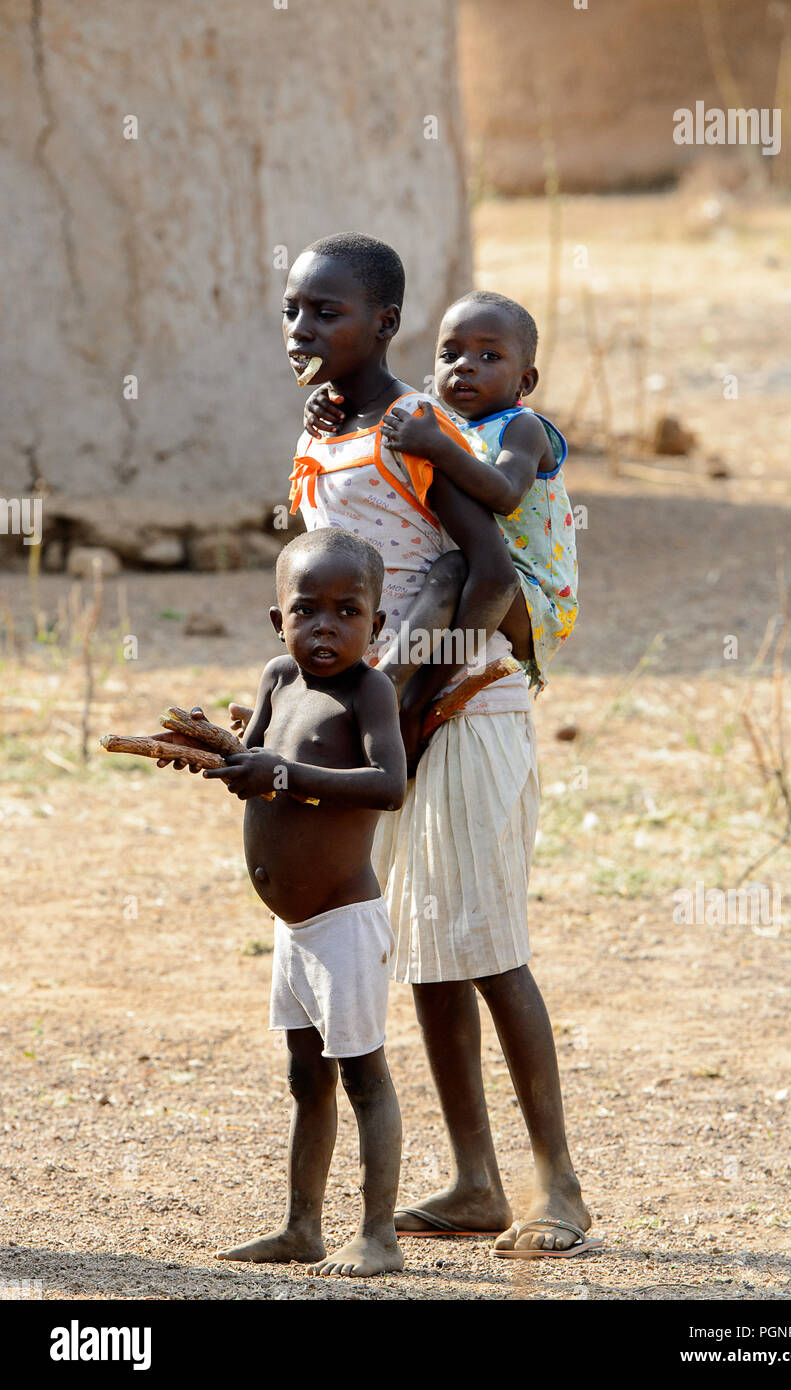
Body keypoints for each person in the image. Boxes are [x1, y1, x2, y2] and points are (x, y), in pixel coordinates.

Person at [274, 231, 598, 1257]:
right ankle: (473, 1179)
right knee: (425, 949)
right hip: (392, 720)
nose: (303, 329)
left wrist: (411, 694)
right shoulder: (327, 433)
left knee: (489, 943)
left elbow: (489, 568)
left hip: (464, 704)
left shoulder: (422, 430)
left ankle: (560, 1187)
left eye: (327, 311)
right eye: (294, 310)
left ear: (382, 324)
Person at [165, 529, 408, 1277]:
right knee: (307, 1078)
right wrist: (218, 753)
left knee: (362, 1076)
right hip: (294, 929)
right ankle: (302, 1227)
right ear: (279, 621)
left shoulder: (368, 691)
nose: (326, 627)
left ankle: (377, 1233)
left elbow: (387, 785)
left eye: (347, 611)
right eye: (308, 611)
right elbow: (258, 761)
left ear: (378, 624)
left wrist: (282, 775)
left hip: (343, 921)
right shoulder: (278, 678)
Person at [307, 289, 579, 695]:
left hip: (533, 595)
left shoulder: (523, 428)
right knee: (450, 568)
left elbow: (505, 494)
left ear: (526, 380)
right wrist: (323, 402)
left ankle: (393, 689)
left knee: (452, 568)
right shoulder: (444, 422)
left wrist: (438, 447)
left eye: (489, 357)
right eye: (450, 355)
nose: (465, 367)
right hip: (482, 577)